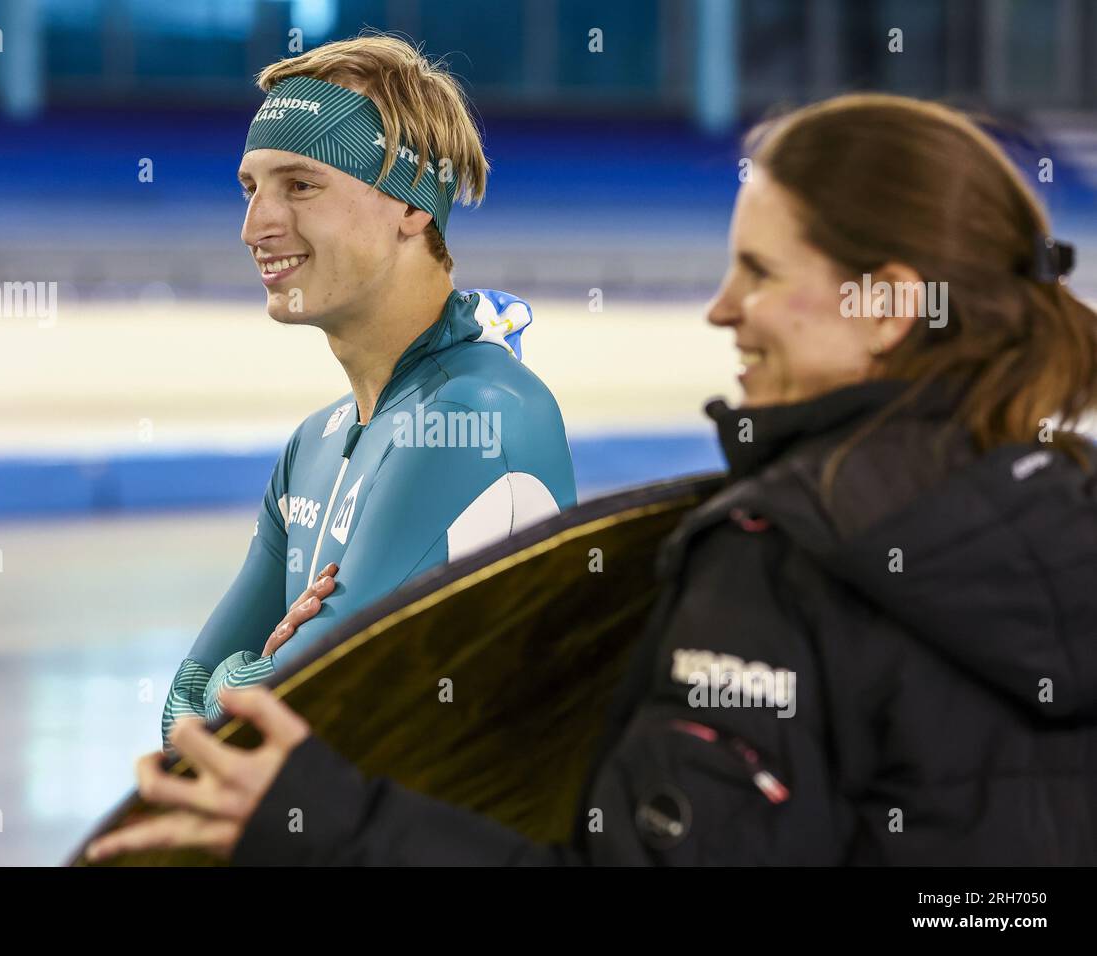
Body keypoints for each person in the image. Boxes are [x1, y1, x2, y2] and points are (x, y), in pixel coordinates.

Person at [99, 92, 1097, 865]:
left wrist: (325, 817)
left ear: (883, 305)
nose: (719, 309)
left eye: (755, 270)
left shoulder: (777, 562)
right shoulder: (1070, 505)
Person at [159, 36, 578, 747]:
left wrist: (241, 676)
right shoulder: (313, 444)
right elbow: (179, 720)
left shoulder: (474, 416)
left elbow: (285, 708)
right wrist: (255, 674)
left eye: (300, 185)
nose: (254, 226)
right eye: (249, 187)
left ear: (411, 208)